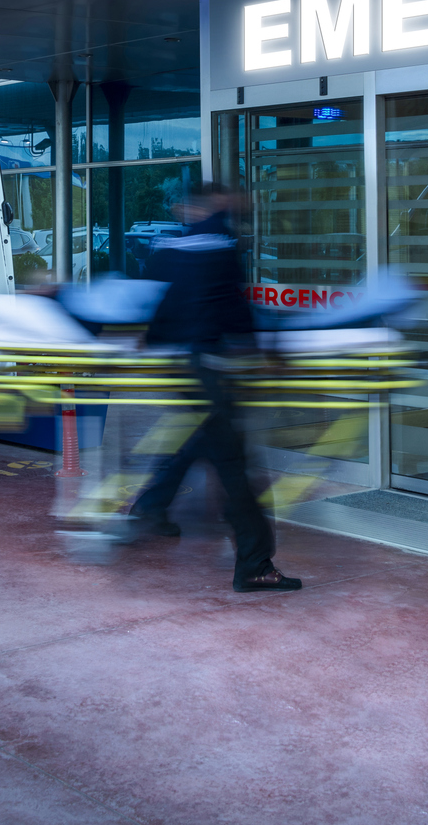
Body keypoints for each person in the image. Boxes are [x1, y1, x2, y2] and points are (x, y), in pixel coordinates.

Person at [127, 183, 302, 593]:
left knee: (201, 444)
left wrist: (151, 344)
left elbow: (155, 311)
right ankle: (255, 564)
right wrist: (263, 354)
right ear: (213, 205)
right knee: (236, 470)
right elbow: (235, 311)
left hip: (184, 371)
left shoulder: (169, 249)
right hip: (206, 370)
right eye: (231, 203)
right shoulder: (220, 247)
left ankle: (151, 507)